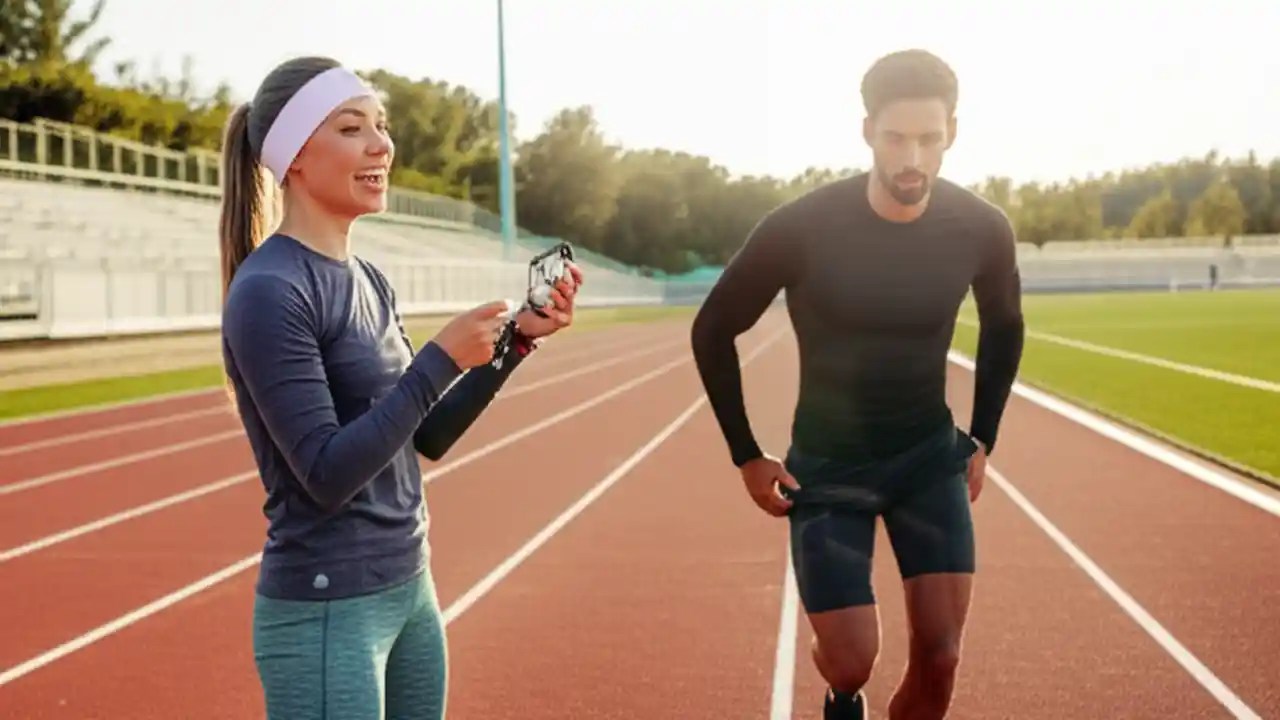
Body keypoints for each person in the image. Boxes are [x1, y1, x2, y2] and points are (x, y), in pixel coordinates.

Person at [216, 56, 583, 720]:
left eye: (380, 126)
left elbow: (426, 437)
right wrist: (440, 360)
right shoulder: (271, 291)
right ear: (294, 156)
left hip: (409, 588)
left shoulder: (370, 279)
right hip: (329, 607)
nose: (381, 144)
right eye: (352, 128)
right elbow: (325, 474)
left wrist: (514, 346)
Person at [690, 49, 1024, 719]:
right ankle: (842, 690)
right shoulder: (801, 228)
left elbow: (1006, 326)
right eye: (896, 137)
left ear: (950, 134)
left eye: (929, 139)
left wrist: (983, 436)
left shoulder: (982, 229)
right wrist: (746, 455)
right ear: (867, 130)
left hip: (928, 460)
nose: (912, 156)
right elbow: (712, 328)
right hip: (830, 467)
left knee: (942, 655)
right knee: (850, 659)